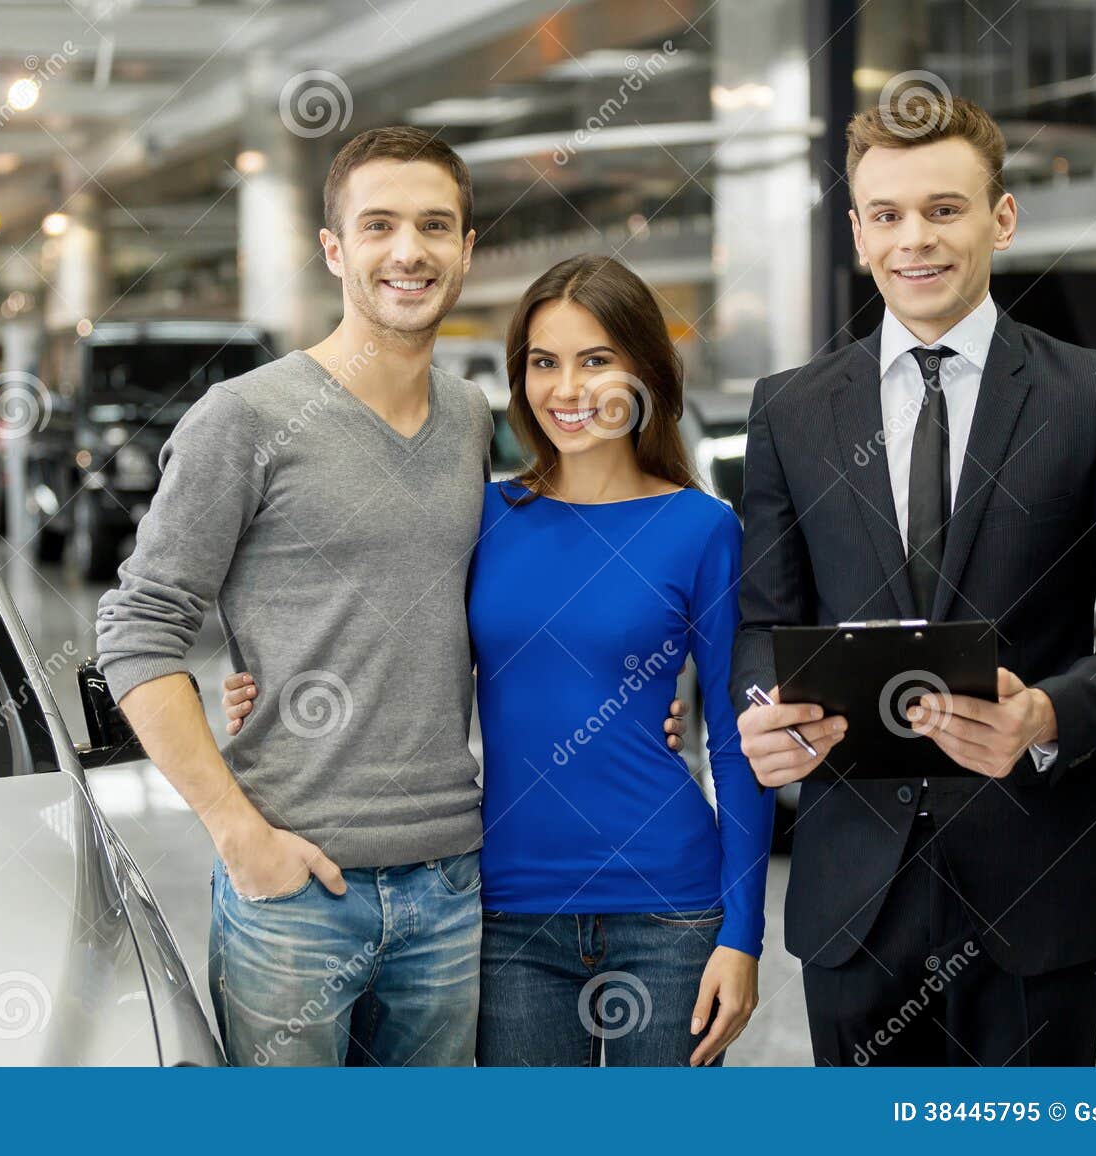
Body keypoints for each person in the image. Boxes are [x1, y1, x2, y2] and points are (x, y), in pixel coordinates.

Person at [95, 127, 683, 1068]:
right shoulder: (242, 418)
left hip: (452, 884)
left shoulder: (468, 419)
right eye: (378, 225)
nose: (408, 251)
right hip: (295, 890)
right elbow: (135, 627)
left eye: (433, 226)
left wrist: (639, 688)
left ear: (465, 249)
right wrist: (238, 832)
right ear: (335, 249)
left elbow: (507, 594)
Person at [731, 94, 1096, 1066]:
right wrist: (760, 707)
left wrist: (1045, 714)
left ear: (1001, 216)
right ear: (857, 232)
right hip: (853, 891)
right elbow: (763, 622)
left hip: (1039, 882)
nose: (916, 239)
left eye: (943, 209)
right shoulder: (790, 412)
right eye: (888, 214)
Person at [231, 255, 772, 1066]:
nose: (567, 388)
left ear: (644, 370)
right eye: (544, 362)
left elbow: (734, 741)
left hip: (671, 907)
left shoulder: (702, 527)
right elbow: (385, 635)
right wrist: (271, 688)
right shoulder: (484, 514)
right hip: (510, 910)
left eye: (596, 360)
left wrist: (744, 932)